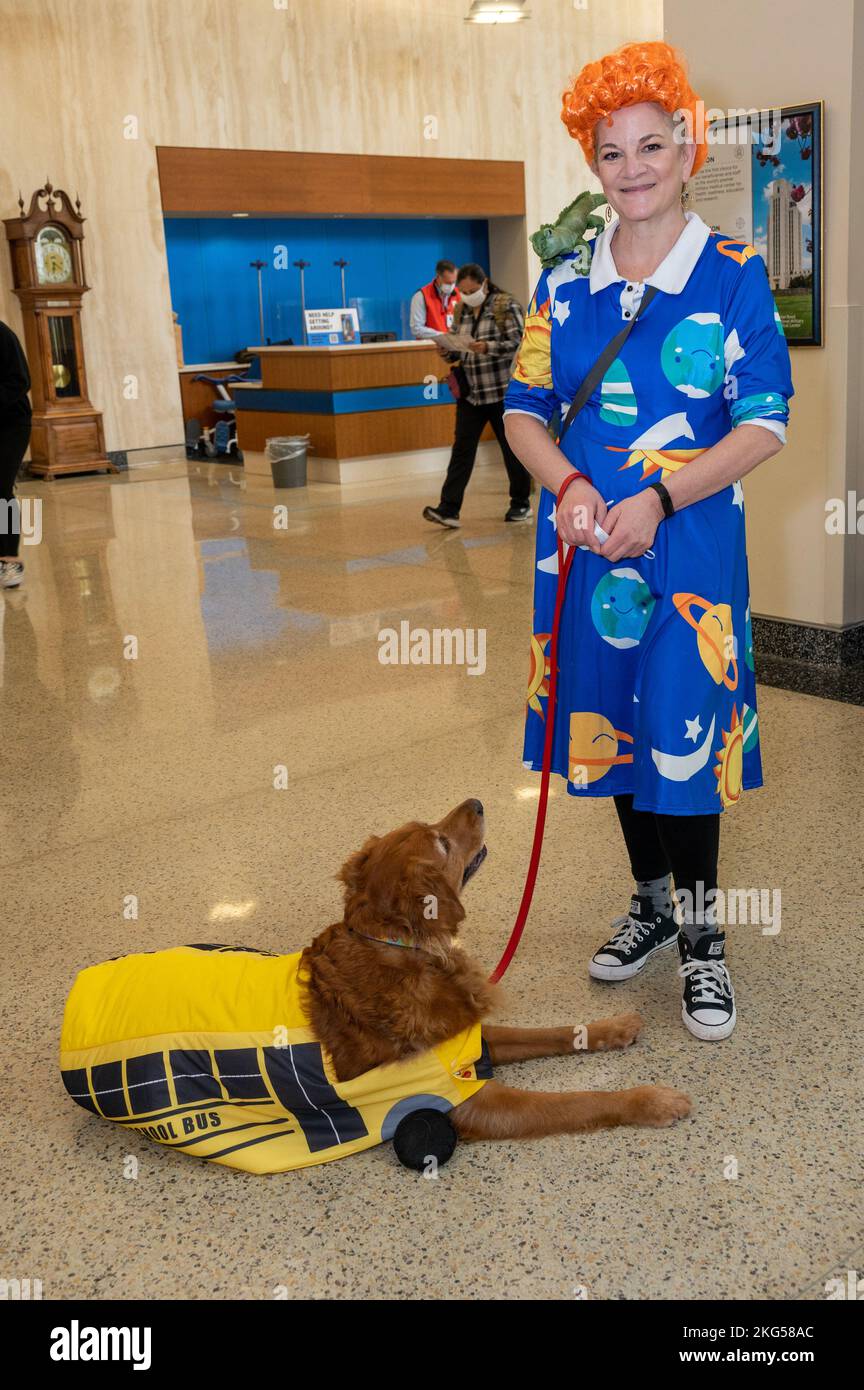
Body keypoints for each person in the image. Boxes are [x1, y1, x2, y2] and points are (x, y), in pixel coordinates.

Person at [503, 41, 793, 1040]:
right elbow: (522, 413)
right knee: (615, 732)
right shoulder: (562, 285)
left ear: (686, 149)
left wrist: (661, 502)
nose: (631, 167)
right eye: (610, 149)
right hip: (583, 549)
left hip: (689, 550)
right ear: (594, 162)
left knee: (683, 731)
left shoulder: (732, 275)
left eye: (651, 146)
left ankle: (705, 941)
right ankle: (653, 903)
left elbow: (763, 421)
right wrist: (573, 485)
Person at [423, 263, 532, 528]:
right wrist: (448, 350)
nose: (467, 296)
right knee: (462, 450)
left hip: (502, 392)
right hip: (472, 394)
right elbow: (459, 346)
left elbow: (521, 342)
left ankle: (520, 503)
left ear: (484, 284)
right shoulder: (461, 310)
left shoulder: (505, 306)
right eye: (463, 292)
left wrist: (487, 347)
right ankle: (448, 508)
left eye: (471, 291)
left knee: (512, 449)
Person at [0, 318, 32, 589]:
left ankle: (9, 560)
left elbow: (21, 381)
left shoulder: (2, 335)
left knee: (1, 488)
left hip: (10, 425)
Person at [409, 260, 461, 339]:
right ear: (437, 277)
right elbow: (416, 329)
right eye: (448, 283)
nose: (451, 286)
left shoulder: (459, 294)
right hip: (430, 348)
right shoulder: (421, 296)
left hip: (455, 347)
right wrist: (443, 336)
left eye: (453, 282)